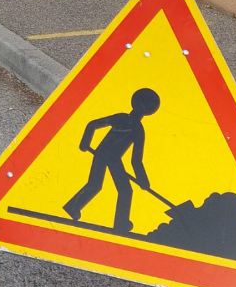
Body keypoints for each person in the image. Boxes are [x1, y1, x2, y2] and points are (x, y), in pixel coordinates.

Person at [62, 88, 161, 233]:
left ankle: (73, 207)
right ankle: (120, 224)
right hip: (107, 156)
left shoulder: (130, 124)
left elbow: (135, 159)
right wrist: (84, 142)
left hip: (107, 156)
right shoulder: (131, 124)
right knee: (119, 189)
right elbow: (93, 124)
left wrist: (143, 180)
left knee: (98, 185)